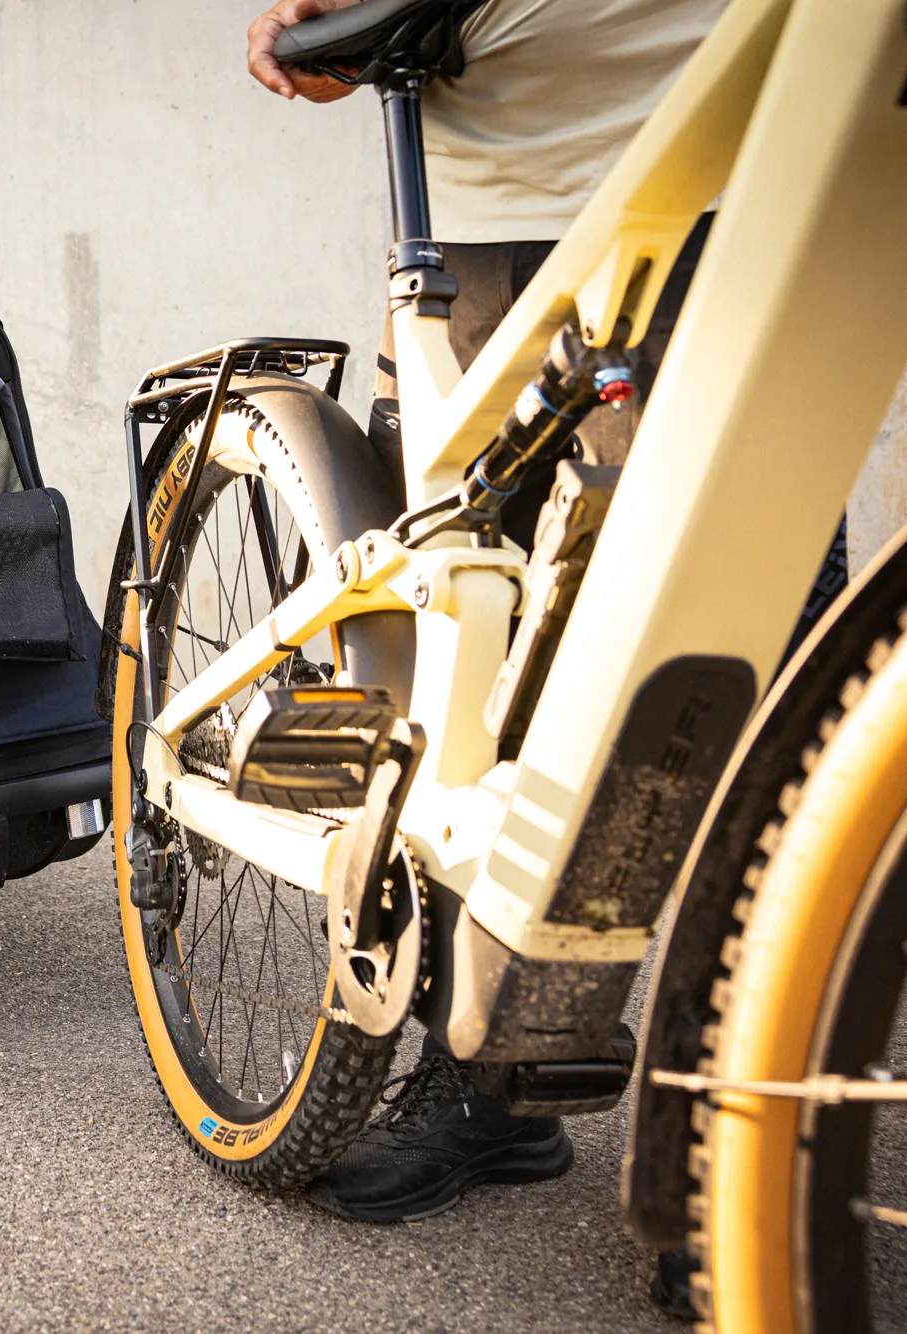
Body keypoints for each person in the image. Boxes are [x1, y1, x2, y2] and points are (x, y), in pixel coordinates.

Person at [244, 0, 762, 1321]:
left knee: (739, 660)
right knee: (484, 658)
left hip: (730, 151)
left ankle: (733, 1138)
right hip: (507, 179)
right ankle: (489, 1082)